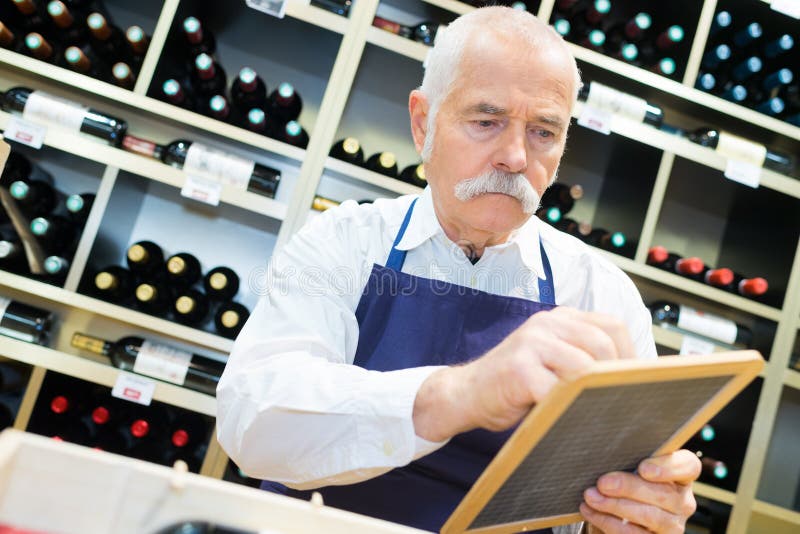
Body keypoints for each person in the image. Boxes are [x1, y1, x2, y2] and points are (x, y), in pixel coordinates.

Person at [217, 6, 700, 533]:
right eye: (486, 121)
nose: (514, 156)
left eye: (543, 132)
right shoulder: (342, 245)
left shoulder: (601, 295)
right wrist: (462, 395)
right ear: (423, 121)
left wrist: (633, 511)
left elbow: (597, 501)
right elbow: (253, 423)